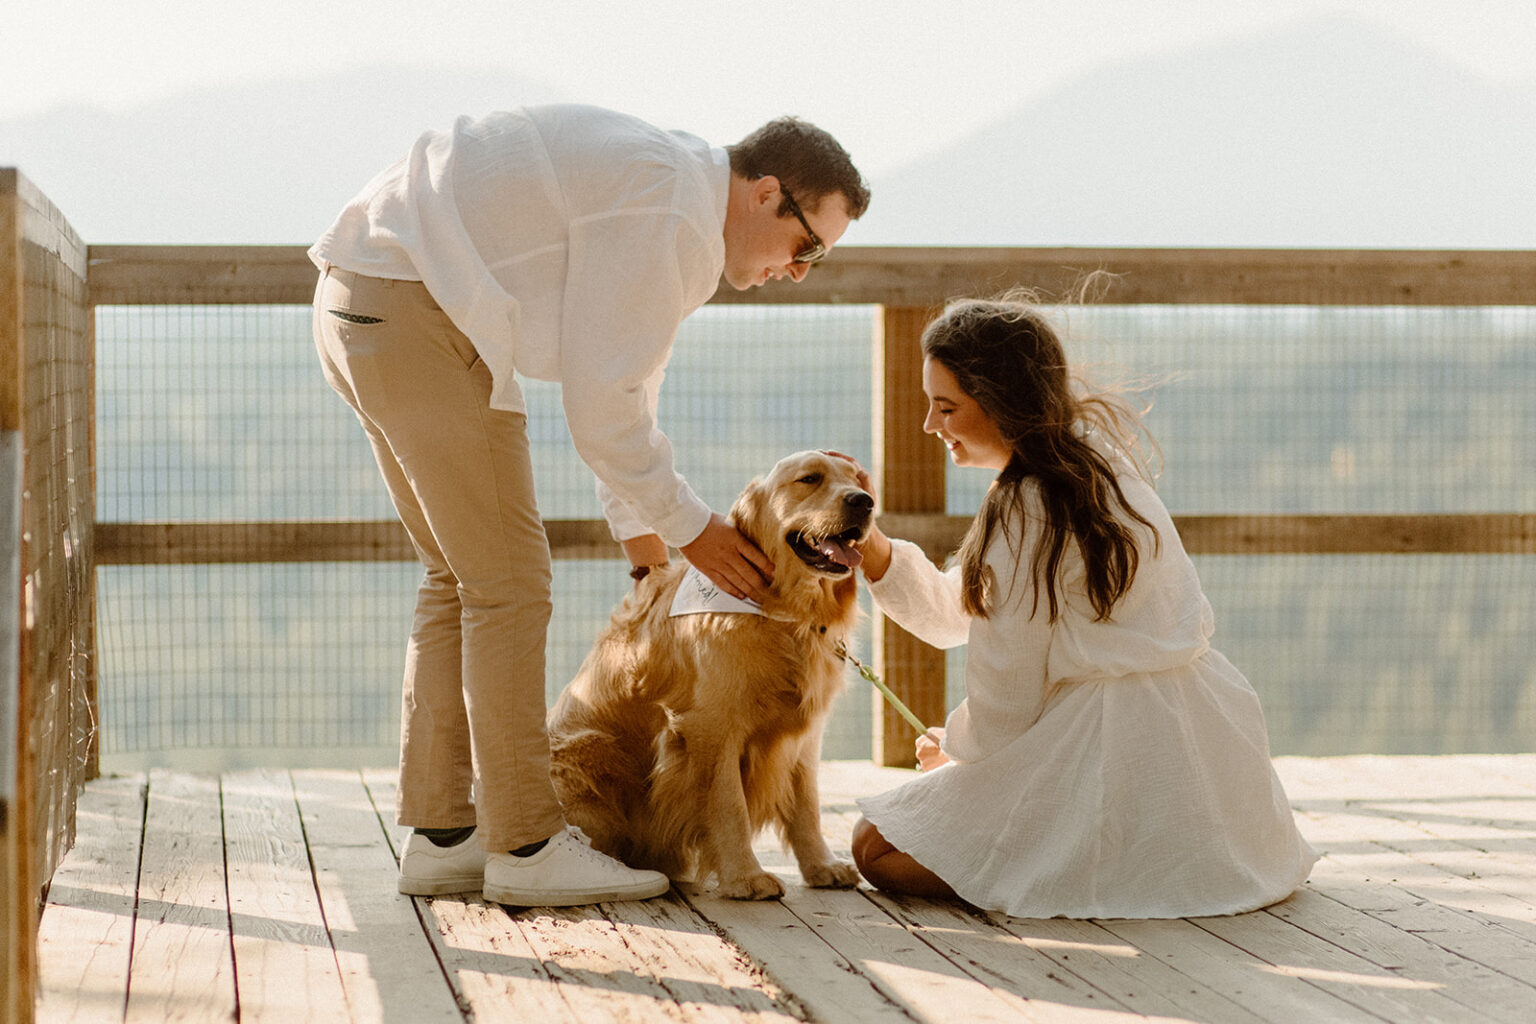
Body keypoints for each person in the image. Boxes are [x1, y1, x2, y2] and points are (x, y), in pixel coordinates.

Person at [309, 104, 870, 906]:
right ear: (764, 194)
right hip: (418, 309)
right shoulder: (672, 213)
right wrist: (696, 534)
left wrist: (648, 553)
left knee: (459, 575)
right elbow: (602, 406)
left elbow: (628, 390)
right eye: (806, 243)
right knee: (510, 584)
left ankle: (445, 839)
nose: (802, 268)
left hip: (363, 298)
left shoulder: (671, 200)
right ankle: (529, 847)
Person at [845, 295, 1316, 918]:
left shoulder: (1024, 505)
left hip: (1108, 750)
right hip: (1200, 748)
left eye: (947, 406)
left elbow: (1006, 700)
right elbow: (963, 610)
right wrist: (874, 549)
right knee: (906, 828)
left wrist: (953, 753)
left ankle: (1109, 865)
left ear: (1001, 401)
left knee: (874, 848)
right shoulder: (1095, 463)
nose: (931, 425)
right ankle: (1155, 858)